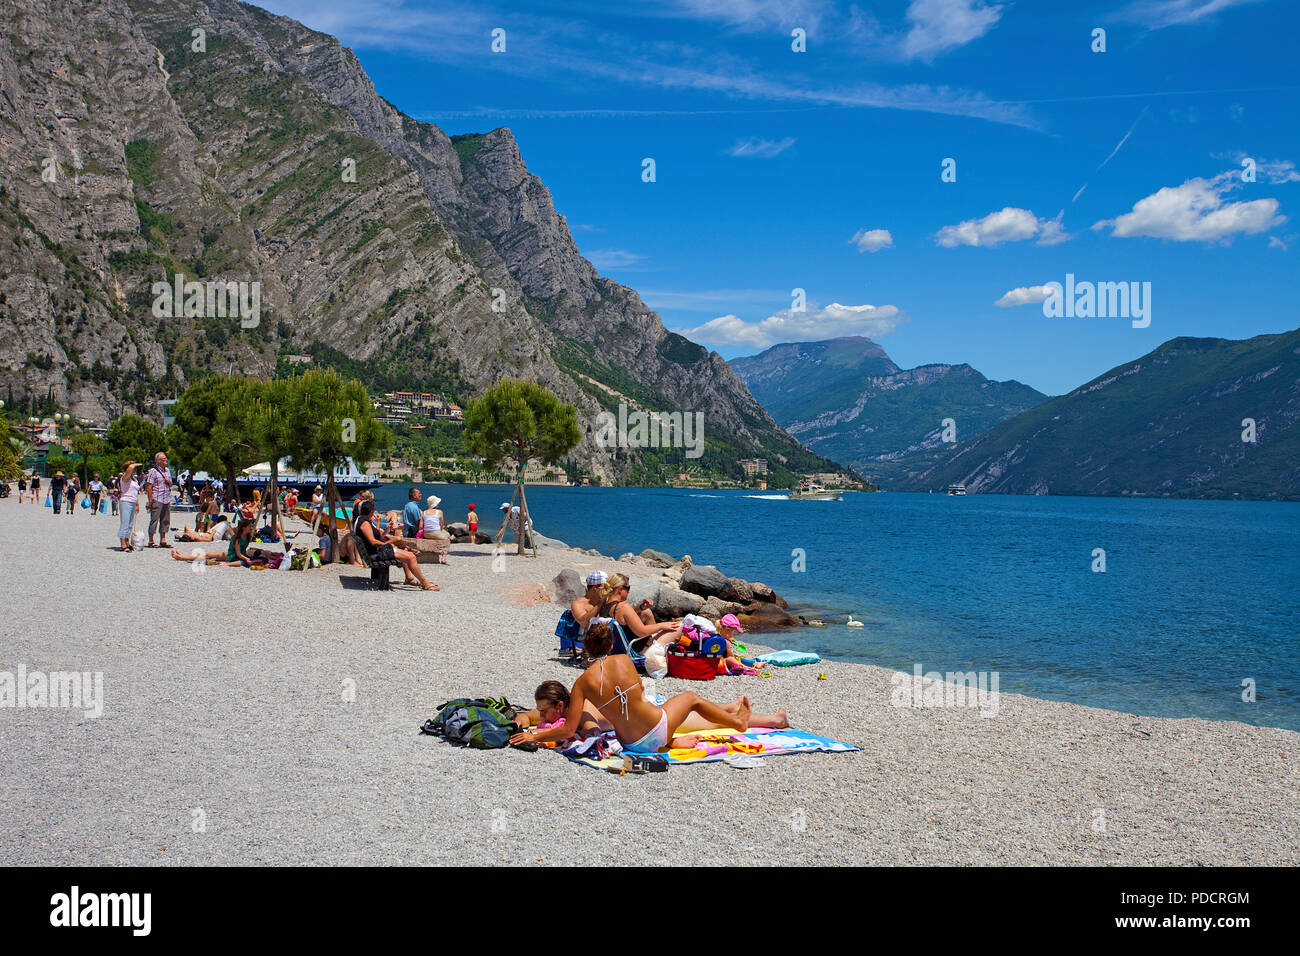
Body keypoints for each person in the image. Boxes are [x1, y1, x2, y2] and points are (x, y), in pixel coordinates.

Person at [509, 623, 776, 753]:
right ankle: (736, 722)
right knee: (691, 698)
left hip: (632, 743)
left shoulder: (582, 684)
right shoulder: (625, 661)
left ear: (587, 648)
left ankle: (710, 723)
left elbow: (568, 729)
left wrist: (532, 735)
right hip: (655, 730)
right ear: (610, 644)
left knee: (674, 709)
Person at [355, 500, 438, 591]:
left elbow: (375, 537)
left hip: (375, 550)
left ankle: (415, 579)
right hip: (377, 553)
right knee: (411, 557)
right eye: (373, 510)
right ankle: (425, 583)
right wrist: (387, 544)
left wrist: (386, 536)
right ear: (370, 511)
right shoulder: (365, 523)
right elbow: (373, 541)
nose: (374, 511)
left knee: (406, 551)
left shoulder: (362, 520)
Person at [596, 573, 682, 651]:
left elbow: (626, 614)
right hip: (638, 649)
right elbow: (642, 632)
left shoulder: (604, 605)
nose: (629, 592)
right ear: (620, 589)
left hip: (618, 648)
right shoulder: (624, 607)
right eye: (628, 588)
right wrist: (662, 625)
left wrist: (641, 607)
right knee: (682, 625)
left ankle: (656, 636)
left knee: (646, 612)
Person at [144, 452, 173, 547]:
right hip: (157, 498)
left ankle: (163, 540)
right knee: (154, 520)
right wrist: (150, 500)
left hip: (166, 498)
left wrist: (169, 482)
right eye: (163, 459)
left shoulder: (168, 471)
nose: (166, 460)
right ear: (158, 461)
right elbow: (149, 486)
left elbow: (171, 484)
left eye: (166, 459)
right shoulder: (153, 471)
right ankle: (151, 540)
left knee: (165, 519)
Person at [571, 570, 607, 635]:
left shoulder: (607, 600)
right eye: (605, 587)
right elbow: (584, 622)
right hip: (586, 642)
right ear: (595, 587)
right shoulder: (578, 604)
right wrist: (600, 604)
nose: (608, 590)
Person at [117, 462, 141, 551]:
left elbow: (135, 493)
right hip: (126, 501)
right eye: (134, 468)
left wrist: (137, 504)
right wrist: (135, 464)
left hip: (133, 501)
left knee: (130, 524)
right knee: (125, 523)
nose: (135, 470)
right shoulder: (125, 478)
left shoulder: (134, 479)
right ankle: (123, 543)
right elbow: (130, 468)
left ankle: (127, 541)